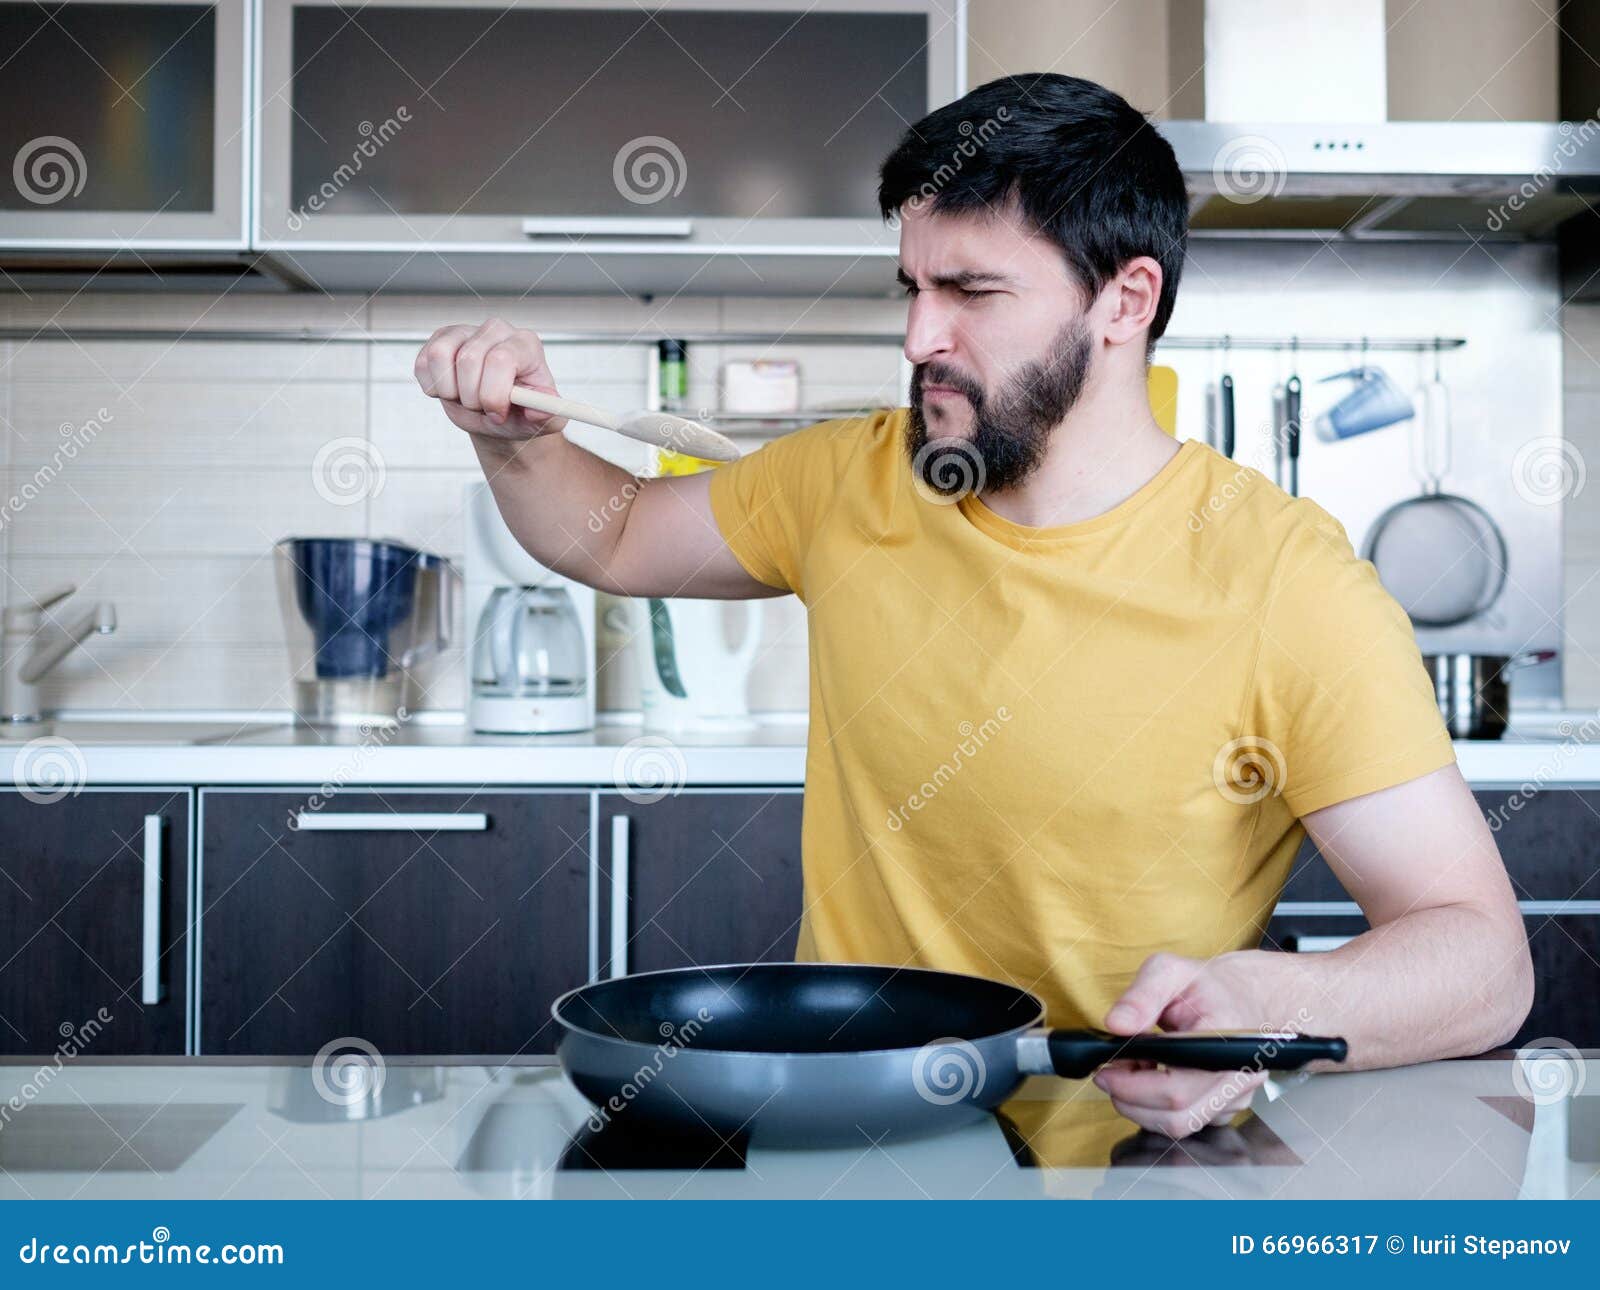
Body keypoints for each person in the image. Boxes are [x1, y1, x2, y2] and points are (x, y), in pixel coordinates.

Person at [415, 73, 1532, 1139]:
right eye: (913, 287)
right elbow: (611, 534)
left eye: (972, 292)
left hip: (1130, 1176)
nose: (918, 339)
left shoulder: (1288, 584)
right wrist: (510, 439)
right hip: (843, 1143)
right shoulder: (849, 479)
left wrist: (1267, 1000)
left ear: (1123, 300)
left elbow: (1481, 962)